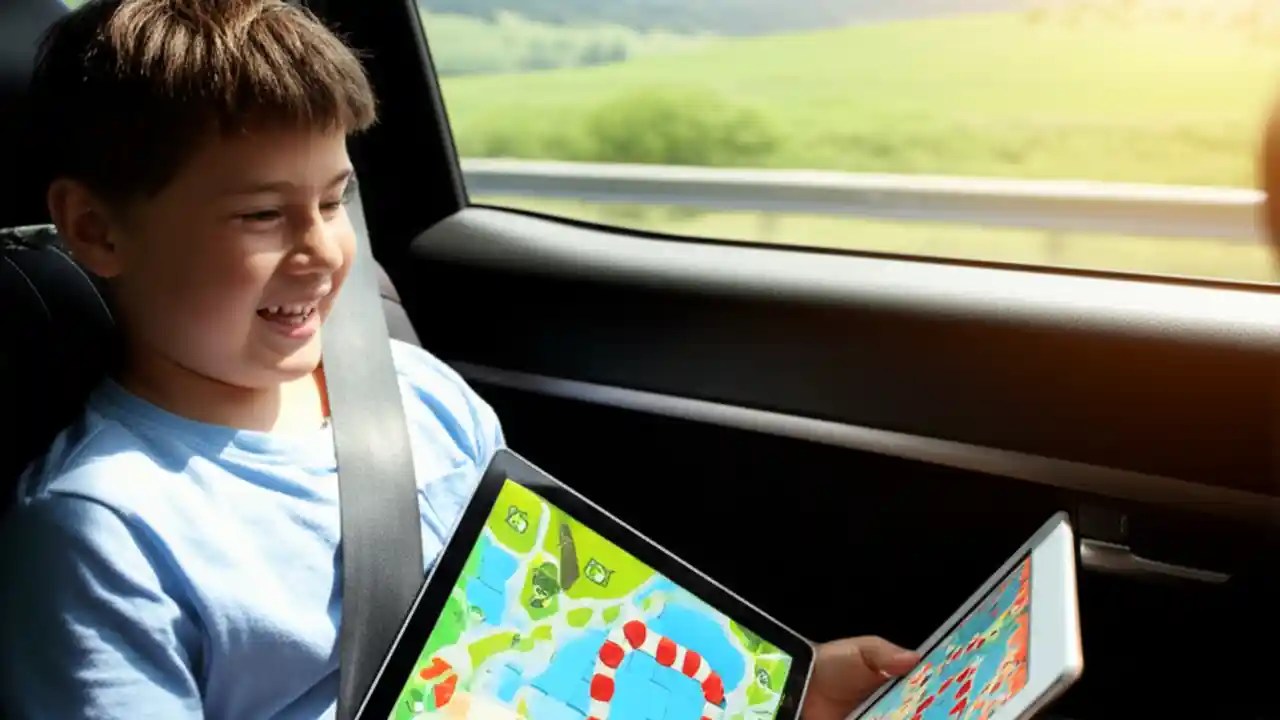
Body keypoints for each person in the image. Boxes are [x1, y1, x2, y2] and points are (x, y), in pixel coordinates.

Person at [0, 1, 919, 718]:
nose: (324, 251)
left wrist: (781, 693)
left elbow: (558, 630)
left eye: (335, 200)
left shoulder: (412, 392)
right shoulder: (103, 530)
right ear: (94, 228)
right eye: (260, 215)